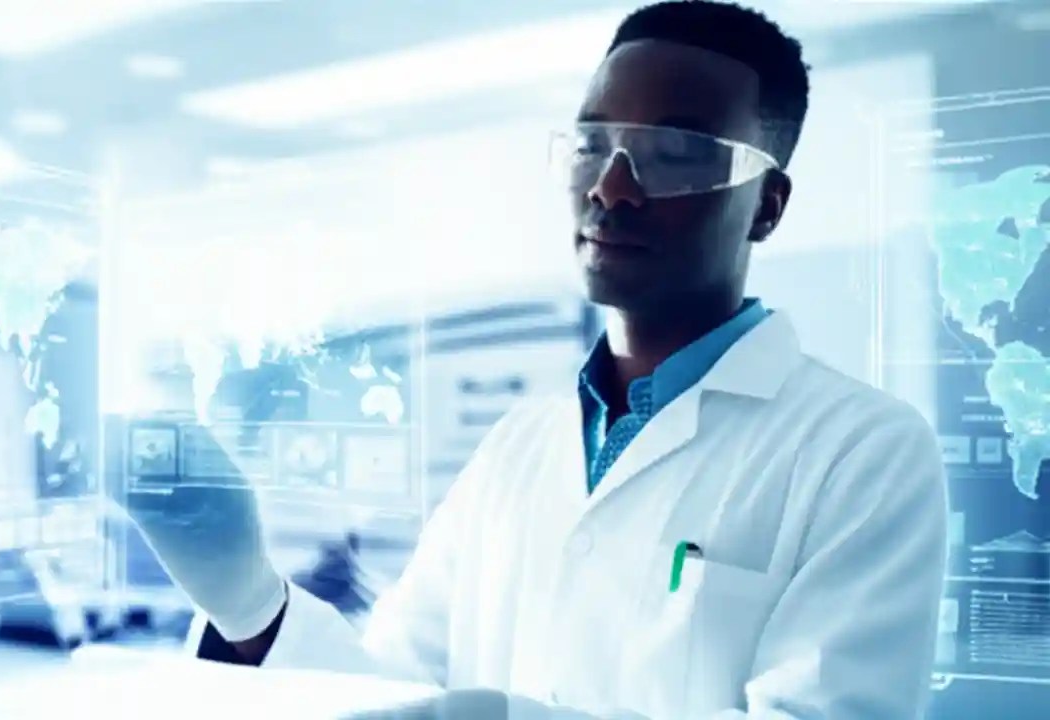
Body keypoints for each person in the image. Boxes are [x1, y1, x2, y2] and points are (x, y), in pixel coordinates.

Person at [127, 1, 949, 717]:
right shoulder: (520, 446)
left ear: (765, 207)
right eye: (594, 145)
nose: (613, 188)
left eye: (674, 154)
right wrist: (244, 597)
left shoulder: (866, 451)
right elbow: (389, 692)